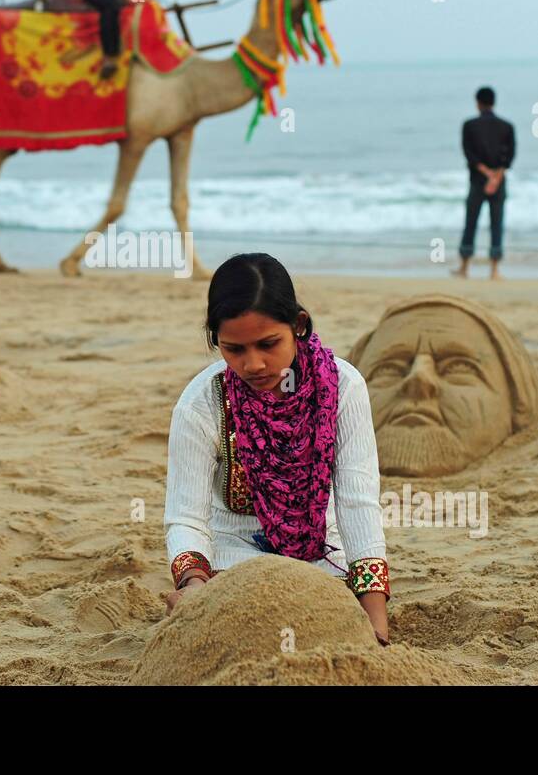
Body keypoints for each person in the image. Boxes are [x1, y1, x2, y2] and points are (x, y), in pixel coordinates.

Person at [163, 253, 391, 645]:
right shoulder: (201, 403)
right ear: (216, 340)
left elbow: (358, 503)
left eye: (268, 344)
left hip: (323, 552)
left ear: (298, 326)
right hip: (231, 555)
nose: (253, 364)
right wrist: (195, 584)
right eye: (234, 349)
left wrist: (376, 628)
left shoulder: (344, 387)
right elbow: (186, 516)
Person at [453, 86, 515, 280]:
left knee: (471, 223)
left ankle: (464, 267)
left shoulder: (469, 125)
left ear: (478, 103)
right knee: (497, 224)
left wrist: (486, 174)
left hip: (478, 180)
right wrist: (496, 176)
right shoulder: (507, 126)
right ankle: (494, 270)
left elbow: (469, 154)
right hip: (498, 181)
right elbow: (510, 156)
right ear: (493, 102)